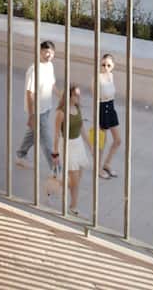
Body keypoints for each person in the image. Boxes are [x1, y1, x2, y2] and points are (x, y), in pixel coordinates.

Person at [16, 40, 58, 171]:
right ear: (40, 52)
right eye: (45, 52)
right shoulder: (34, 70)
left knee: (33, 134)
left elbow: (52, 84)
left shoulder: (50, 65)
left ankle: (20, 155)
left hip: (47, 108)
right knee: (47, 142)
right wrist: (31, 115)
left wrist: (62, 96)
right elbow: (30, 94)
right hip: (37, 111)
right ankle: (57, 170)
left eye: (51, 52)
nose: (48, 55)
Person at [52, 83, 91, 214]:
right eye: (76, 95)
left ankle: (73, 206)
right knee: (73, 179)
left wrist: (90, 145)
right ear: (69, 96)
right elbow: (57, 133)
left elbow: (82, 128)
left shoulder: (77, 108)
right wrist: (55, 153)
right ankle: (56, 187)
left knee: (77, 179)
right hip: (67, 145)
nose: (79, 97)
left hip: (78, 144)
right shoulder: (61, 112)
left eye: (79, 94)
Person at [98, 53, 121, 178]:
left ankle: (106, 164)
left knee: (118, 140)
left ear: (113, 66)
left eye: (108, 65)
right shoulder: (98, 78)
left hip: (111, 107)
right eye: (103, 65)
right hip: (102, 108)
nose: (105, 67)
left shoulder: (111, 76)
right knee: (102, 142)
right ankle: (98, 168)